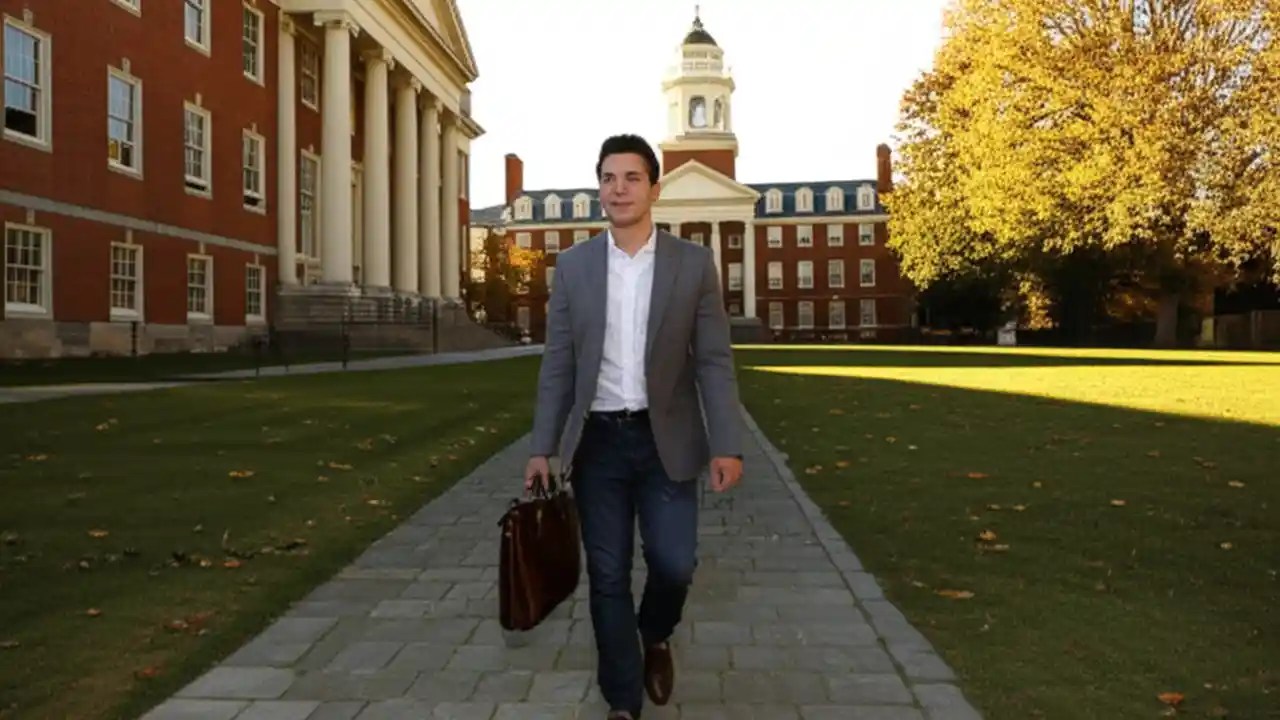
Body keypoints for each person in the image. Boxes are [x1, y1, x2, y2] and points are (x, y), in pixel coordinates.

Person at [525, 134, 744, 719]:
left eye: (631, 178)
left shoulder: (692, 265)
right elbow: (559, 363)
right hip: (597, 443)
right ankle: (623, 700)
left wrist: (727, 443)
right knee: (607, 574)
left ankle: (656, 632)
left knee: (676, 564)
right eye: (608, 178)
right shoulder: (572, 268)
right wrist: (543, 446)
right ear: (599, 188)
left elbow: (715, 360)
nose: (618, 189)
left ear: (654, 187)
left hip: (666, 440)